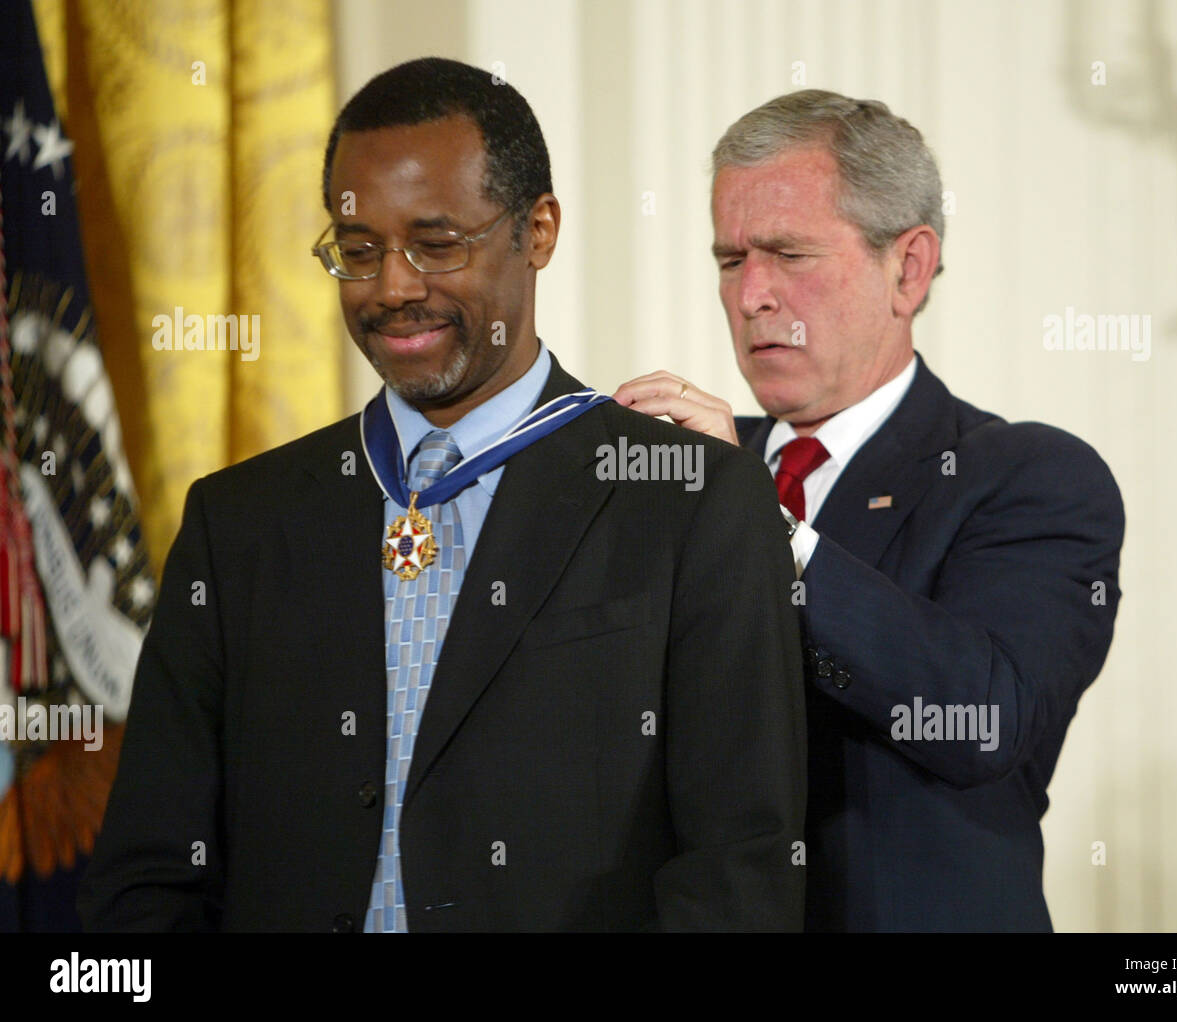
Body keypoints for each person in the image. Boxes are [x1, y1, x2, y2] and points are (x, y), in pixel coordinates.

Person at [78, 58, 806, 933]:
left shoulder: (689, 498)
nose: (393, 287)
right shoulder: (237, 523)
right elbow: (149, 877)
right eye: (358, 252)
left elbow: (740, 874)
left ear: (537, 231)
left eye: (436, 244)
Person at [614, 89, 1124, 932]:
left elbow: (981, 717)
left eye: (787, 252)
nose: (751, 296)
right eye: (731, 260)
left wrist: (751, 515)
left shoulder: (1027, 476)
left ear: (908, 268)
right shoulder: (682, 472)